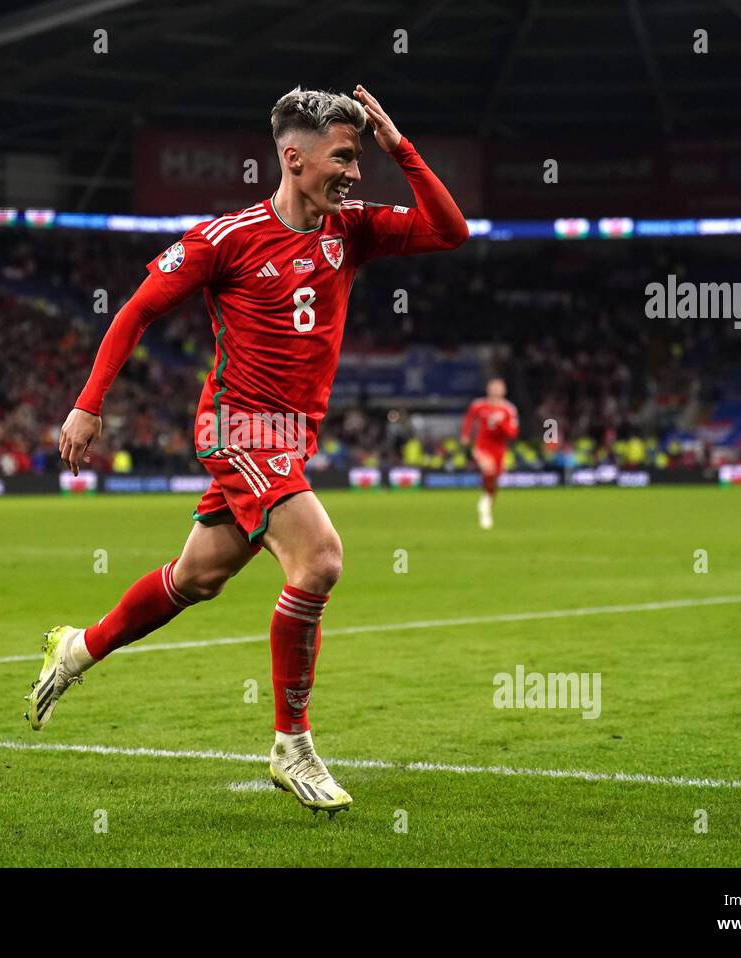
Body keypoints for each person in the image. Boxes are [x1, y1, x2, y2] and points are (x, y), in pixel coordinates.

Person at [28, 85, 468, 816]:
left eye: (360, 158)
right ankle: (291, 745)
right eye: (345, 158)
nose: (355, 173)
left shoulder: (350, 231)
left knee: (195, 579)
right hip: (238, 429)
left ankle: (75, 648)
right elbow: (136, 310)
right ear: (293, 159)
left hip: (289, 443)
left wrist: (401, 147)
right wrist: (87, 403)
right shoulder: (226, 238)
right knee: (319, 558)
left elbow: (450, 231)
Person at [461, 378, 519, 530]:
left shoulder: (509, 409)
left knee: (493, 482)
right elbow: (469, 419)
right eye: (493, 387)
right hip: (482, 446)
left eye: (498, 388)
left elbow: (513, 433)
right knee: (489, 469)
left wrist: (500, 422)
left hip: (499, 449)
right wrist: (466, 435)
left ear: (504, 391)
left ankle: (485, 506)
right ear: (488, 389)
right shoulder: (479, 405)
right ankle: (485, 504)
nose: (495, 391)